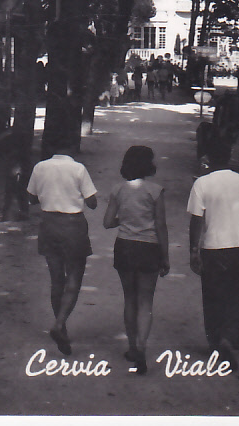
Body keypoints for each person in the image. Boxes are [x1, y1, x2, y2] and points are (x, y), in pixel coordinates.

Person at [187, 140, 239, 374]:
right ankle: (233, 338)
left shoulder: (202, 184)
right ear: (230, 156)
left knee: (213, 296)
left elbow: (196, 220)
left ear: (208, 159)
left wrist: (193, 250)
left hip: (213, 248)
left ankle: (216, 341)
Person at [27, 144, 98, 356]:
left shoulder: (40, 167)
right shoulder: (78, 169)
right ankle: (59, 325)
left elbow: (31, 198)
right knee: (74, 277)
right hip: (73, 225)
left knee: (56, 279)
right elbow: (92, 202)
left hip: (49, 224)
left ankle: (62, 327)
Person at [103, 146, 169, 374]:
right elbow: (161, 225)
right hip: (149, 247)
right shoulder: (156, 190)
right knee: (145, 301)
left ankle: (132, 347)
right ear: (149, 165)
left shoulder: (118, 190)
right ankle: (142, 346)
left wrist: (126, 217)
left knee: (129, 298)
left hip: (125, 246)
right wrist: (165, 256)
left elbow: (107, 222)